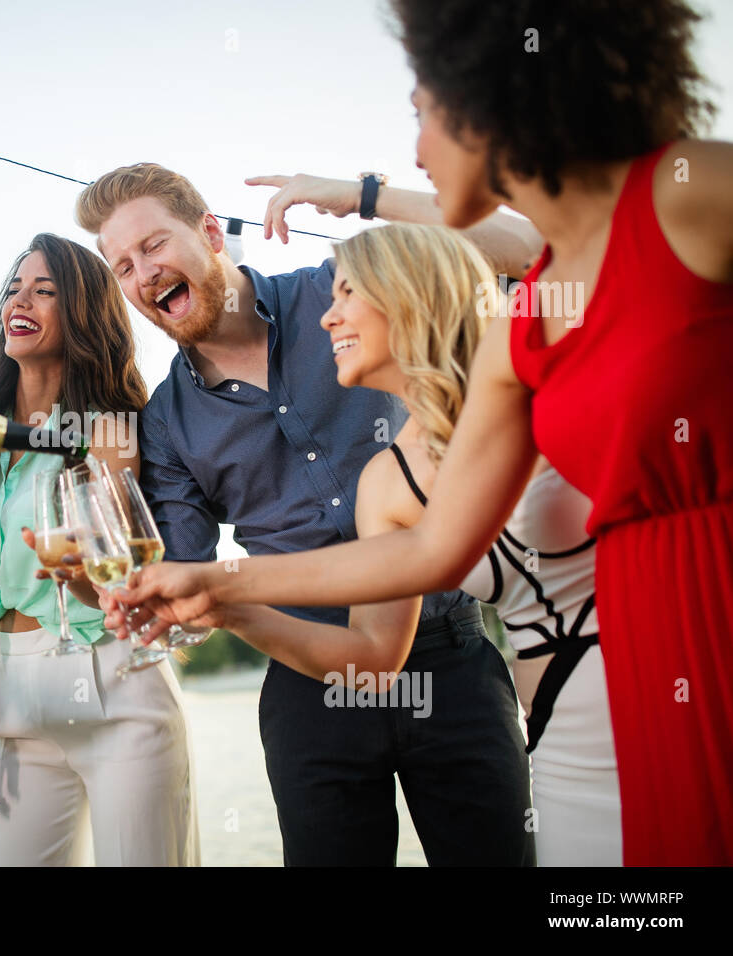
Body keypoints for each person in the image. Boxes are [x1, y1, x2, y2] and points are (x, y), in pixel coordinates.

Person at [117, 0, 733, 866]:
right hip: (563, 705)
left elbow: (508, 244)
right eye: (122, 265)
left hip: (598, 658)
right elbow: (429, 549)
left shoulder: (681, 200)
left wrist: (359, 194)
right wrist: (213, 590)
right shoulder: (513, 361)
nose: (413, 148)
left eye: (422, 114)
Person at [75, 163, 543, 866]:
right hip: (310, 687)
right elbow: (181, 583)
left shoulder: (341, 294)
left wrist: (366, 197)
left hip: (454, 663)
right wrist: (102, 564)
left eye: (153, 246)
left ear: (210, 234)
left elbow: (522, 252)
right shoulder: (166, 424)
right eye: (122, 267)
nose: (142, 274)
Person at [178, 222, 618, 865]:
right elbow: (379, 640)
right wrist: (224, 602)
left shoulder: (533, 371)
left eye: (347, 292)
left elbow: (558, 246)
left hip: (646, 686)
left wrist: (361, 197)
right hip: (554, 736)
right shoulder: (387, 479)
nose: (325, 318)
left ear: (410, 291)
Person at [0, 233, 198, 866]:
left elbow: (116, 570)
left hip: (116, 688)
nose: (19, 300)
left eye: (44, 290)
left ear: (82, 313)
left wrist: (81, 571)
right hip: (16, 700)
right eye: (13, 288)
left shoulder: (111, 428)